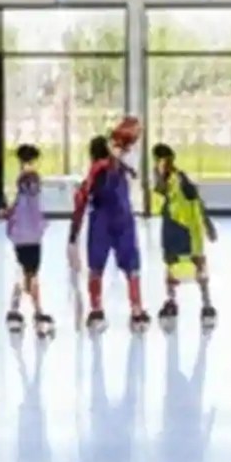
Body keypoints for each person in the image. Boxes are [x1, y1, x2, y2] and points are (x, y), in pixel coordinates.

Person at [70, 136, 149, 333]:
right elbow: (134, 173)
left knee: (96, 268)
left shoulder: (97, 169)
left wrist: (74, 234)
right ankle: (137, 311)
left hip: (101, 222)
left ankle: (97, 311)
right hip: (124, 220)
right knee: (132, 268)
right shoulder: (120, 167)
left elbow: (82, 199)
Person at [151, 142, 219, 331]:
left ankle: (206, 306)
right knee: (174, 266)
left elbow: (196, 201)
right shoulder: (171, 179)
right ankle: (175, 301)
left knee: (194, 265)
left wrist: (207, 225)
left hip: (184, 228)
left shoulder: (177, 179)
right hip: (176, 227)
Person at [0, 144, 53, 337]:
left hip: (21, 232)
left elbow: (17, 204)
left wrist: (7, 214)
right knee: (30, 273)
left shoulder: (22, 179)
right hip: (33, 233)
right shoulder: (32, 178)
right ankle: (36, 312)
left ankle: (16, 309)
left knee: (24, 271)